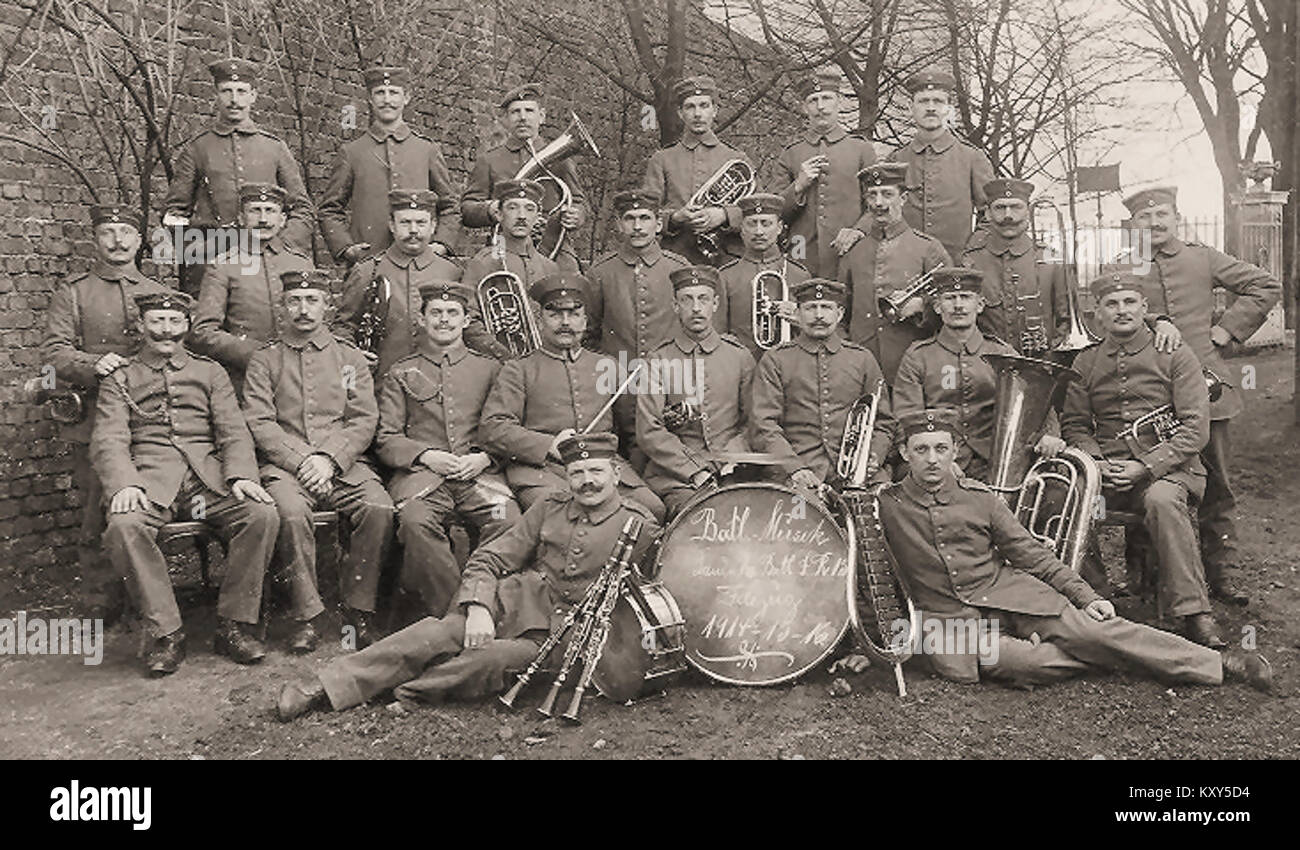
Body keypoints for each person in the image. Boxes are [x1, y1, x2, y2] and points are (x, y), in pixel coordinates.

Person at [876, 408, 1272, 693]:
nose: (932, 459)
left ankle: (1219, 664)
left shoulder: (981, 499)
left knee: (1096, 628)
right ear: (905, 454)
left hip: (1013, 597)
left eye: (941, 449)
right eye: (922, 449)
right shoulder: (885, 505)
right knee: (1028, 663)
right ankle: (1117, 655)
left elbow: (1032, 555)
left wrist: (1086, 596)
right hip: (947, 623)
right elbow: (868, 574)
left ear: (955, 452)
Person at [275, 432, 660, 720]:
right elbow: (490, 557)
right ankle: (322, 686)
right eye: (577, 473)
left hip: (569, 640)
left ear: (616, 473)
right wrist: (477, 606)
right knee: (435, 633)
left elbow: (653, 601)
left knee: (487, 659)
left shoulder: (640, 526)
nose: (587, 481)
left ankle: (403, 691)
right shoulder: (551, 506)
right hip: (519, 605)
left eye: (597, 471)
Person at [90, 291, 279, 675]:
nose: (166, 331)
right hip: (150, 481)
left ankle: (233, 625)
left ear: (187, 325)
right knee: (124, 527)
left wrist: (241, 475)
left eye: (174, 322)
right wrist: (125, 483)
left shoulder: (210, 372)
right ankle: (167, 633)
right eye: (157, 322)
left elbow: (233, 432)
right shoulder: (121, 377)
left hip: (206, 481)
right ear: (141, 326)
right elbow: (109, 438)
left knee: (261, 514)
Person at [1117, 185, 1282, 606]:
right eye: (1144, 218)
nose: (1154, 224)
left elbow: (1264, 285)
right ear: (1133, 224)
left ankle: (1222, 574)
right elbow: (1104, 309)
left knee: (1219, 486)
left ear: (1176, 217)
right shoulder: (1123, 266)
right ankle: (1144, 576)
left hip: (1209, 393)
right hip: (1149, 396)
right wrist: (1155, 319)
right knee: (1147, 480)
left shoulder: (1202, 257)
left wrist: (1227, 330)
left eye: (1162, 216)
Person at [1061, 271, 1225, 647]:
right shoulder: (1085, 362)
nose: (1122, 311)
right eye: (1112, 304)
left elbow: (1195, 429)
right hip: (1109, 473)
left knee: (1162, 500)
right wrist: (1096, 462)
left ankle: (1194, 613)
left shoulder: (1175, 354)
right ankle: (1096, 599)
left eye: (1130, 302)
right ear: (1097, 313)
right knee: (1070, 498)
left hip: (1170, 471)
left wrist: (1146, 466)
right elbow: (1075, 424)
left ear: (1145, 308)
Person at [242, 270, 394, 651]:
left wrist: (329, 458)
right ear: (282, 307)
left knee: (378, 507)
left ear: (327, 306)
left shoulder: (349, 357)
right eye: (295, 301)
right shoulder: (265, 359)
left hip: (341, 463)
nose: (303, 309)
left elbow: (364, 418)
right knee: (291, 514)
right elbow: (259, 421)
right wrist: (304, 460)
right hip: (286, 467)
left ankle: (359, 609)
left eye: (312, 301)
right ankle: (306, 615)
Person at [40, 203, 172, 625]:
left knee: (141, 506)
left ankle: (146, 598)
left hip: (149, 417)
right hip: (95, 415)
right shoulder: (74, 292)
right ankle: (101, 601)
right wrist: (92, 364)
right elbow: (54, 352)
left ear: (138, 240)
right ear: (95, 239)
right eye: (108, 233)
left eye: (126, 234)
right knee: (98, 508)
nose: (117, 242)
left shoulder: (154, 291)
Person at [375, 281, 521, 616]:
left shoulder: (490, 369)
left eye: (452, 313)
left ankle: (483, 602)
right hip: (424, 482)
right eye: (436, 313)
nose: (444, 320)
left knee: (507, 519)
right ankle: (454, 615)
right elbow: (386, 436)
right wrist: (426, 456)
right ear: (423, 320)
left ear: (466, 320)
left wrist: (484, 458)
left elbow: (506, 427)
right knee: (414, 523)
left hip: (480, 483)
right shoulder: (403, 372)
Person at [479, 275, 665, 522]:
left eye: (574, 314)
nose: (565, 322)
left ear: (585, 320)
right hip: (543, 472)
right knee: (562, 515)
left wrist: (637, 473)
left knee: (652, 509)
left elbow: (633, 430)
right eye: (555, 315)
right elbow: (494, 428)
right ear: (540, 320)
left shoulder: (606, 366)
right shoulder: (519, 369)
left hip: (603, 468)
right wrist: (549, 445)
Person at [893, 267, 1064, 481]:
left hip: (996, 461)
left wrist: (1049, 434)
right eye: (949, 298)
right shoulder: (918, 356)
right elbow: (907, 418)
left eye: (965, 297)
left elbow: (1037, 400)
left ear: (980, 305)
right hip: (935, 461)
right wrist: (939, 461)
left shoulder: (1002, 353)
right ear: (937, 307)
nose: (958, 305)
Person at [163, 58, 312, 297]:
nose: (234, 100)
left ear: (253, 96)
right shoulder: (199, 148)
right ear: (216, 95)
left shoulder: (274, 148)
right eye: (226, 91)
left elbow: (302, 209)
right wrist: (195, 252)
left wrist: (280, 247)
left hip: (265, 262)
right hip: (211, 261)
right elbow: (174, 213)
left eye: (241, 91)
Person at [749, 278, 893, 490]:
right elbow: (764, 425)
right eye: (810, 308)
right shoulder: (776, 360)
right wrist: (795, 467)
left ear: (840, 313)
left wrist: (872, 458)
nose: (818, 315)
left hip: (859, 472)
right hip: (796, 471)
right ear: (797, 313)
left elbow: (884, 421)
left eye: (826, 307)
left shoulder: (862, 359)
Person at [335, 190, 495, 377]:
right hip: (381, 383)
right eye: (405, 222)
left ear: (433, 226)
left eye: (421, 223)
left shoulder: (453, 272)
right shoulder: (367, 271)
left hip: (440, 385)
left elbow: (469, 328)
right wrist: (352, 354)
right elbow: (343, 327)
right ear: (391, 225)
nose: (413, 230)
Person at [637, 266, 755, 516]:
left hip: (733, 470)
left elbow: (752, 421)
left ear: (715, 304)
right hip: (677, 477)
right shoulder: (658, 360)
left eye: (703, 299)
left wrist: (731, 458)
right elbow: (649, 429)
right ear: (675, 306)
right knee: (699, 515)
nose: (696, 308)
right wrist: (695, 470)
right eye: (687, 300)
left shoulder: (739, 356)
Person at [318, 66, 458, 267]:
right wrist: (347, 248)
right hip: (369, 261)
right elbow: (329, 209)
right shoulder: (352, 152)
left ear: (406, 97)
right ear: (370, 99)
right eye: (380, 93)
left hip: (419, 262)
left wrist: (441, 244)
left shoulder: (427, 150)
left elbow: (450, 206)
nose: (387, 100)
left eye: (394, 93)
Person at [585, 189, 689, 452]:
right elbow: (589, 334)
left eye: (645, 218)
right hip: (616, 386)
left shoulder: (678, 268)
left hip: (670, 383)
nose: (638, 226)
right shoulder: (601, 271)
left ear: (658, 223)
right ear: (619, 224)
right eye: (630, 218)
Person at [190, 183, 313, 395]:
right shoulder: (224, 265)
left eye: (271, 211)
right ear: (241, 218)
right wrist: (254, 352)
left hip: (299, 381)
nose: (263, 219)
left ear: (282, 220)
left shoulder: (301, 265)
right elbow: (203, 332)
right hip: (243, 381)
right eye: (255, 210)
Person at [838, 162, 949, 384]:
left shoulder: (928, 248)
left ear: (904, 198)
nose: (879, 203)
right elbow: (841, 310)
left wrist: (921, 306)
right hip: (862, 365)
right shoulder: (854, 251)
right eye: (872, 196)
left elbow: (953, 305)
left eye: (887, 194)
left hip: (912, 366)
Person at [460, 83, 587, 274]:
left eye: (529, 110)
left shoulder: (561, 159)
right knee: (499, 281)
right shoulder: (490, 160)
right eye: (515, 112)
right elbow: (467, 209)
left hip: (554, 246)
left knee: (568, 290)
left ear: (541, 116)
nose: (522, 117)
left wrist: (576, 215)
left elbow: (578, 200)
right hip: (502, 245)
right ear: (505, 120)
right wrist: (489, 209)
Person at [771, 69, 876, 278]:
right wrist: (798, 186)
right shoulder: (791, 153)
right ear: (804, 107)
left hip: (849, 252)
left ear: (839, 103)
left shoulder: (861, 150)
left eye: (827, 98)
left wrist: (859, 231)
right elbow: (772, 210)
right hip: (800, 254)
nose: (820, 107)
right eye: (813, 100)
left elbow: (877, 205)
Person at [642, 75, 753, 265]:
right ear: (680, 113)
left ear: (715, 111)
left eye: (704, 106)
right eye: (690, 107)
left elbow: (756, 210)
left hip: (725, 260)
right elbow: (646, 213)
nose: (697, 114)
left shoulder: (737, 159)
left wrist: (724, 215)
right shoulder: (662, 159)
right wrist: (676, 218)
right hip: (676, 256)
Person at [886, 69, 995, 261]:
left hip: (956, 268)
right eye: (923, 101)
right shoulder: (896, 159)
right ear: (911, 108)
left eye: (938, 101)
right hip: (905, 265)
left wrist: (970, 253)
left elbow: (991, 214)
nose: (930, 107)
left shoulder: (972, 158)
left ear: (949, 110)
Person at [961, 178, 1069, 355]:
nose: (1008, 216)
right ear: (987, 213)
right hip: (986, 365)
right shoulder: (971, 260)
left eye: (1016, 207)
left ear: (1028, 211)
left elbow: (1064, 322)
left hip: (1040, 366)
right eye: (1000, 208)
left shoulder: (1050, 259)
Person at [459, 179, 559, 360]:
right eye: (513, 207)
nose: (522, 216)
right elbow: (468, 320)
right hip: (498, 364)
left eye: (529, 209)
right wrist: (504, 355)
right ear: (498, 214)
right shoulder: (486, 261)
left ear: (537, 217)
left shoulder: (549, 266)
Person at [716, 193, 810, 355]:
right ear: (742, 229)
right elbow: (719, 333)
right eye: (752, 224)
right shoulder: (725, 277)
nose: (759, 231)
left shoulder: (799, 274)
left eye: (766, 224)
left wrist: (800, 319)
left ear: (779, 228)